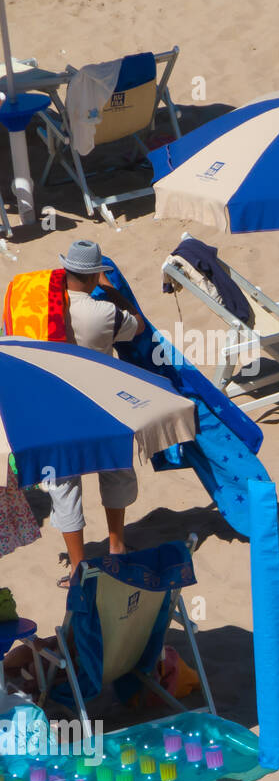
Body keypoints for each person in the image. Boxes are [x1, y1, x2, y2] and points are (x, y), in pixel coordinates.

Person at [51, 240, 146, 588]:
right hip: (102, 402)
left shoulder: (42, 306)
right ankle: (116, 547)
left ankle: (78, 568)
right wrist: (112, 291)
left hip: (57, 406)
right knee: (115, 473)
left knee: (63, 486)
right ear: (93, 275)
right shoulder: (104, 312)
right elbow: (139, 325)